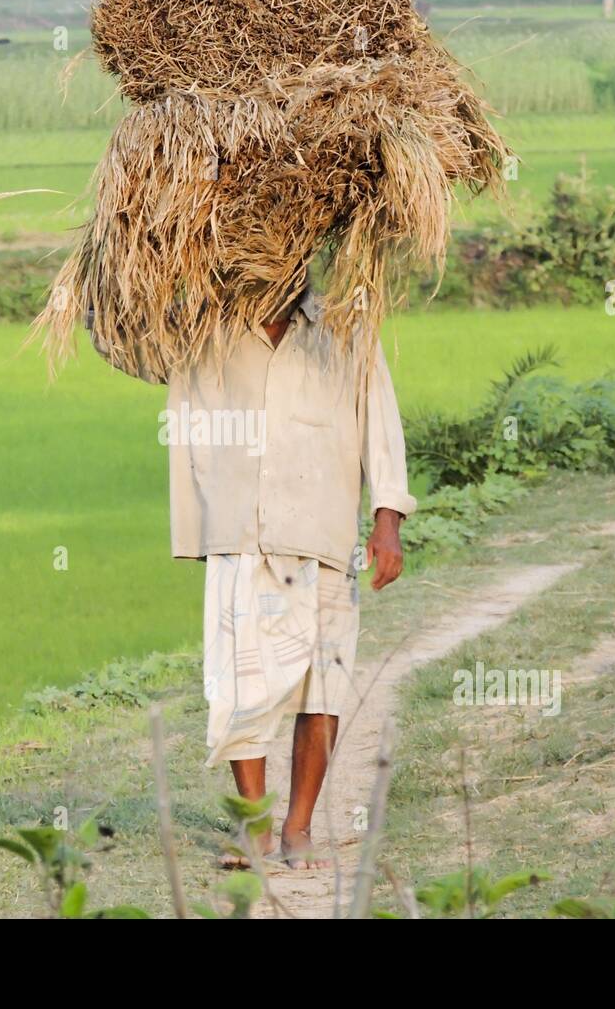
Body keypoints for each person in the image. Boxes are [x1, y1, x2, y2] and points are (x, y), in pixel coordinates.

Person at [89, 270, 415, 868]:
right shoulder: (204, 325)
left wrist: (387, 519)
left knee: (324, 683)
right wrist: (113, 268)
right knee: (240, 683)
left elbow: (382, 425)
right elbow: (121, 342)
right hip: (240, 533)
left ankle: (298, 828)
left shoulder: (345, 327)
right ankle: (256, 827)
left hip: (325, 530)